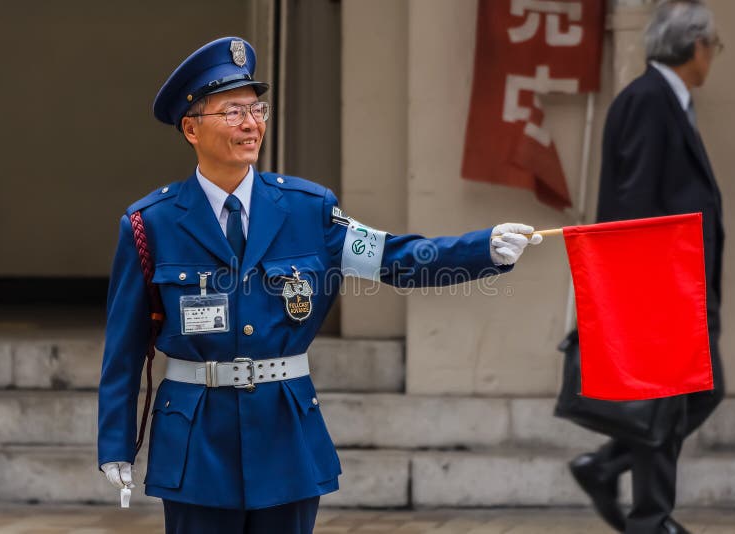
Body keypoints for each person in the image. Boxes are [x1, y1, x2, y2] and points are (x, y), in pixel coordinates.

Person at [97, 36, 542, 534]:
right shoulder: (151, 223)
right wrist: (116, 443)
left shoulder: (309, 210)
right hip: (196, 438)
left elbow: (393, 259)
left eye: (257, 109)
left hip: (283, 431)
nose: (251, 123)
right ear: (191, 128)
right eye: (233, 112)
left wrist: (482, 250)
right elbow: (125, 347)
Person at [567, 2, 725, 533]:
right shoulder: (648, 100)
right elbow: (633, 202)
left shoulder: (666, 100)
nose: (712, 57)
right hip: (662, 286)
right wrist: (645, 295)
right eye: (712, 46)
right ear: (695, 46)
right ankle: (651, 520)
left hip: (683, 283)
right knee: (667, 398)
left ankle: (606, 466)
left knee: (700, 393)